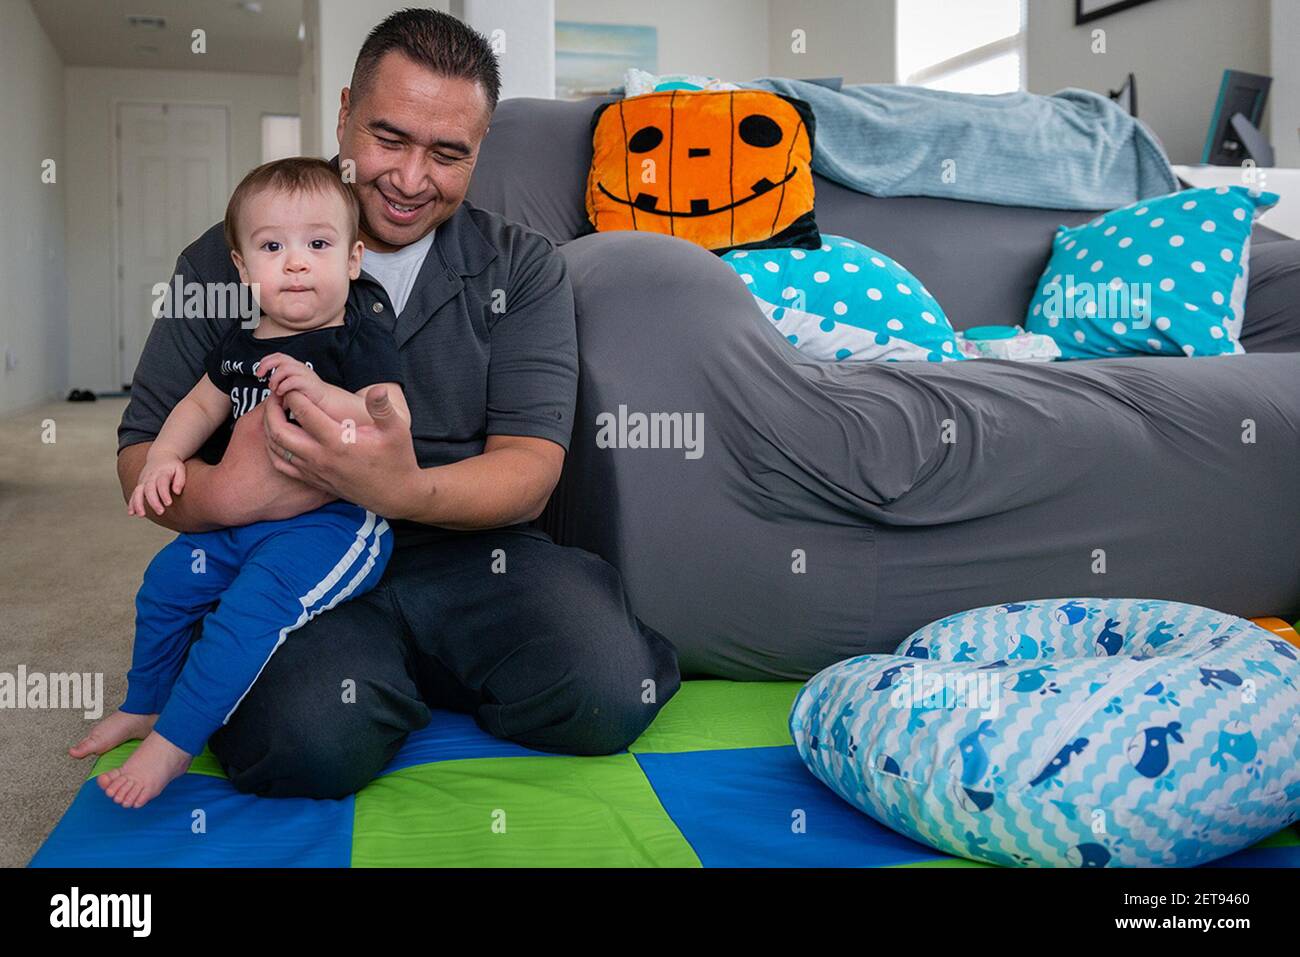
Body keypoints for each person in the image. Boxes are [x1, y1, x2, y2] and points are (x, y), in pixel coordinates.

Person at [107, 9, 681, 799]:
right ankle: (361, 675)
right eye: (389, 139)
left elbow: (530, 467)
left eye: (448, 155)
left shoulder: (524, 267)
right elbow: (141, 451)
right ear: (344, 112)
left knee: (608, 692)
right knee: (304, 744)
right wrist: (224, 494)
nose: (412, 180)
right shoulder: (230, 254)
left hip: (468, 548)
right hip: (289, 550)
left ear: (480, 150)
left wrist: (403, 491)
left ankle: (408, 671)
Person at [74, 157, 411, 808]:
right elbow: (201, 405)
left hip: (335, 526)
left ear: (351, 259)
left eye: (318, 244)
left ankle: (170, 746)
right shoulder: (241, 341)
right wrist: (166, 458)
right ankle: (145, 703)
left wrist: (324, 394)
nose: (295, 263)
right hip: (243, 523)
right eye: (271, 246)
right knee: (166, 584)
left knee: (248, 614)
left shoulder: (355, 339)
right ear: (242, 267)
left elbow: (389, 418)